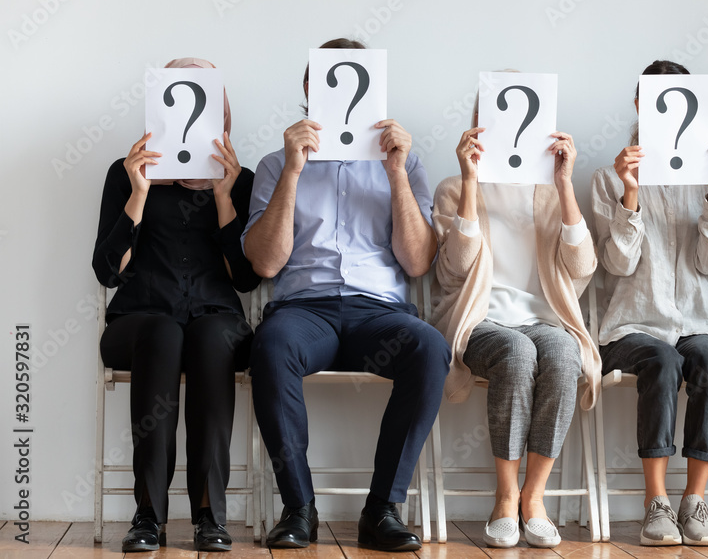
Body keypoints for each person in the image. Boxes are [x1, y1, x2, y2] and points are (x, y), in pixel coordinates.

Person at [242, 38, 450, 552]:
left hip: (379, 314)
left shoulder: (408, 163)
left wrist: (396, 173)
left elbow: (419, 261)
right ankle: (299, 509)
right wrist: (293, 170)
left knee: (428, 347)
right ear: (310, 92)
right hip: (303, 312)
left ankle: (381, 509)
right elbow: (265, 262)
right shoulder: (274, 164)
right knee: (269, 348)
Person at [92, 57, 259, 553]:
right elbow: (108, 270)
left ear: (223, 120)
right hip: (139, 322)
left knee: (211, 338)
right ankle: (148, 514)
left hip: (215, 319)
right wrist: (139, 192)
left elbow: (246, 279)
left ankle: (209, 514)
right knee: (165, 334)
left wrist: (225, 197)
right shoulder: (124, 176)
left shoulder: (242, 179)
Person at [430, 97, 600, 548]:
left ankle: (533, 498)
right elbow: (456, 267)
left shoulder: (549, 191)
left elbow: (582, 267)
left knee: (565, 353)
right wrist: (470, 180)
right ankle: (505, 497)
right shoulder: (453, 188)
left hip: (543, 320)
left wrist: (564, 184)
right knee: (517, 351)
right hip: (480, 321)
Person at [591, 60, 708, 547]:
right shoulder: (608, 179)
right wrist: (630, 195)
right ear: (640, 105)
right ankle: (655, 502)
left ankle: (695, 502)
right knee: (661, 356)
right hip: (633, 326)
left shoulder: (703, 177)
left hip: (700, 321)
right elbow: (616, 264)